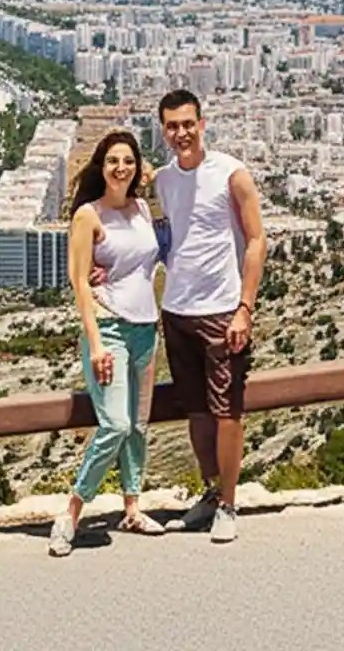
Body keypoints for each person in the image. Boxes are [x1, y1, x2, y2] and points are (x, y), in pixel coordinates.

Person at [145, 88, 266, 543]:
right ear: (164, 130)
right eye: (172, 126)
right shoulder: (164, 179)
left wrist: (245, 308)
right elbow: (163, 236)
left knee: (227, 413)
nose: (181, 133)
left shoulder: (232, 173)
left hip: (222, 312)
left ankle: (230, 505)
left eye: (187, 124)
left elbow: (257, 240)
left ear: (202, 123)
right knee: (196, 414)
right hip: (176, 311)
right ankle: (211, 494)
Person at [49, 130, 166, 558]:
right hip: (110, 329)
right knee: (114, 424)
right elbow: (78, 281)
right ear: (101, 166)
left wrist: (145, 172)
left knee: (137, 425)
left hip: (145, 329)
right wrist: (96, 343)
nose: (122, 168)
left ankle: (132, 507)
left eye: (129, 161)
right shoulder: (88, 215)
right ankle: (73, 513)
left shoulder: (140, 208)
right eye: (113, 161)